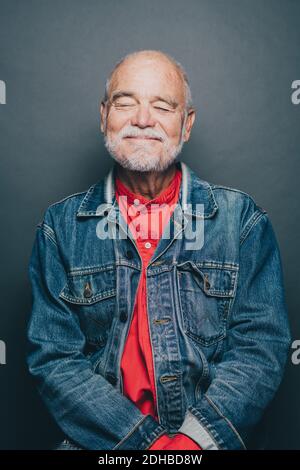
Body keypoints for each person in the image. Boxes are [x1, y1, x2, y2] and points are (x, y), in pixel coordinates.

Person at [26, 49, 291, 450]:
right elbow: (54, 358)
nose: (143, 119)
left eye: (163, 106)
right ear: (104, 116)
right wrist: (145, 447)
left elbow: (261, 347)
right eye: (125, 102)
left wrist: (191, 444)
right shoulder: (60, 228)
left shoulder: (241, 221)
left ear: (187, 124)